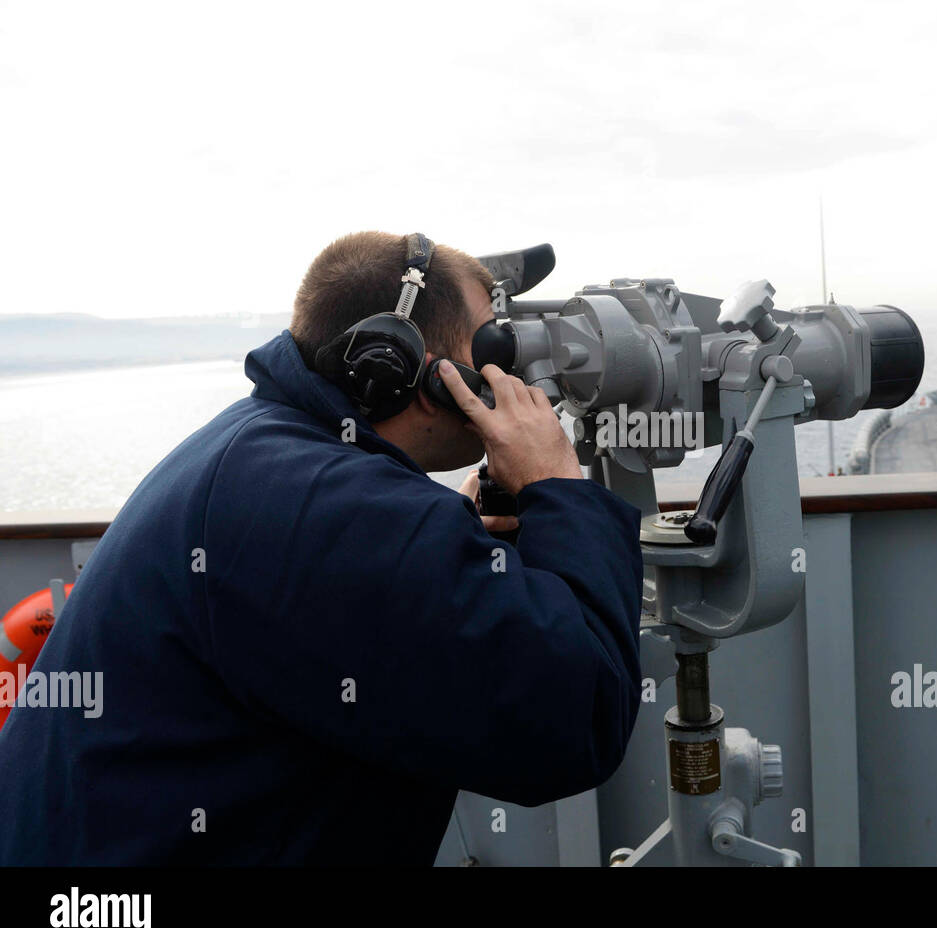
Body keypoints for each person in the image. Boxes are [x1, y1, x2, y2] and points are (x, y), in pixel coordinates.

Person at [0, 231, 644, 864]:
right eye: (490, 341)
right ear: (401, 362)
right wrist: (559, 488)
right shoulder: (329, 511)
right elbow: (578, 714)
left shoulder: (268, 452)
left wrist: (453, 545)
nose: (504, 368)